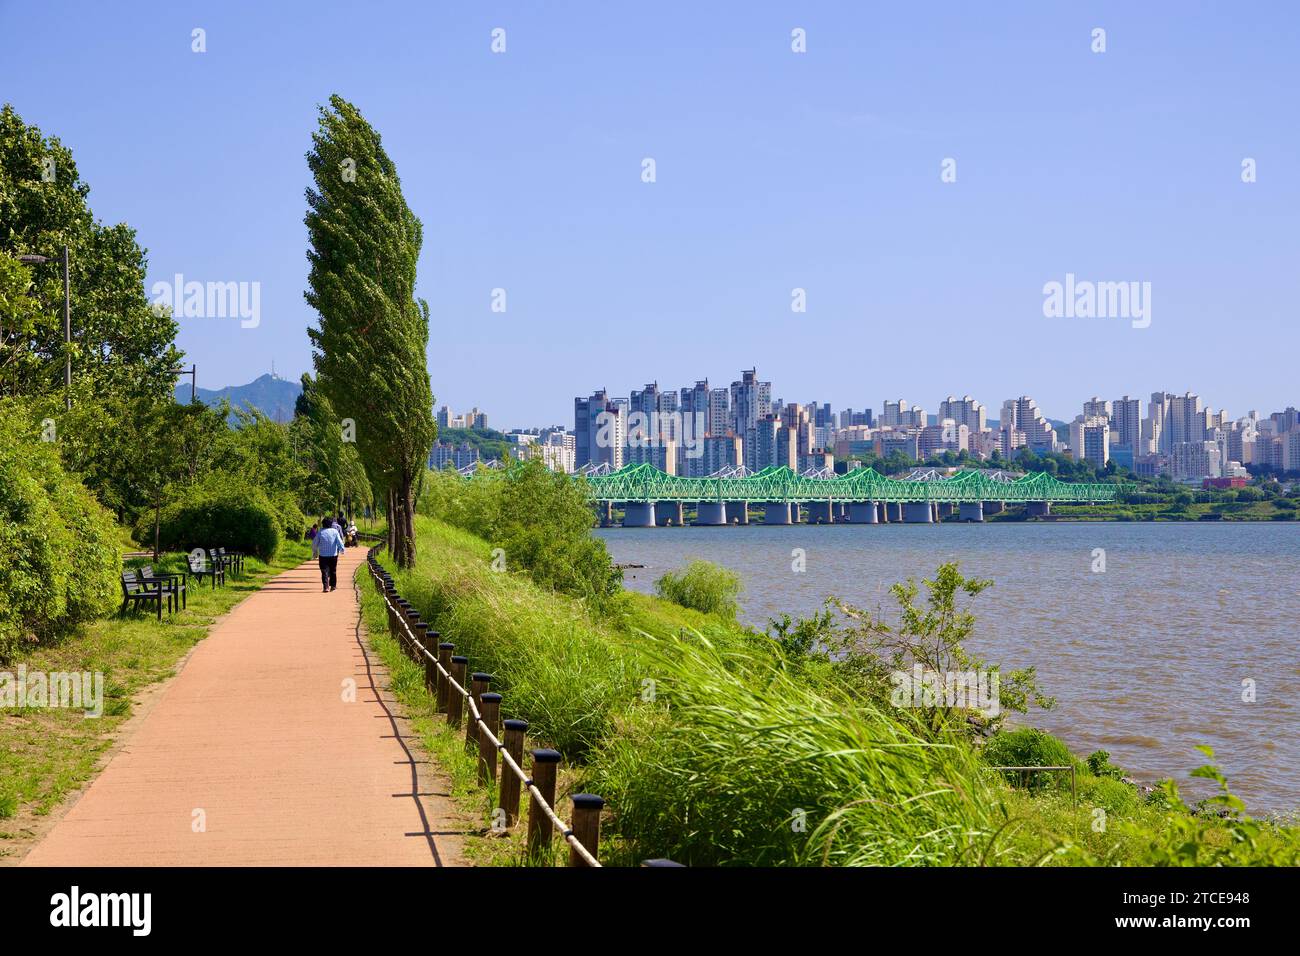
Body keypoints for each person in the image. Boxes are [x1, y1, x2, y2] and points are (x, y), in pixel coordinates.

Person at [312, 517, 346, 592]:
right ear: (331, 524)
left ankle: (326, 586)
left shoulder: (320, 532)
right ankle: (333, 586)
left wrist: (315, 552)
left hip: (323, 555)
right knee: (333, 570)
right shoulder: (335, 531)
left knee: (324, 571)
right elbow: (339, 542)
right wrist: (342, 549)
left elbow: (314, 543)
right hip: (333, 555)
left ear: (323, 524)